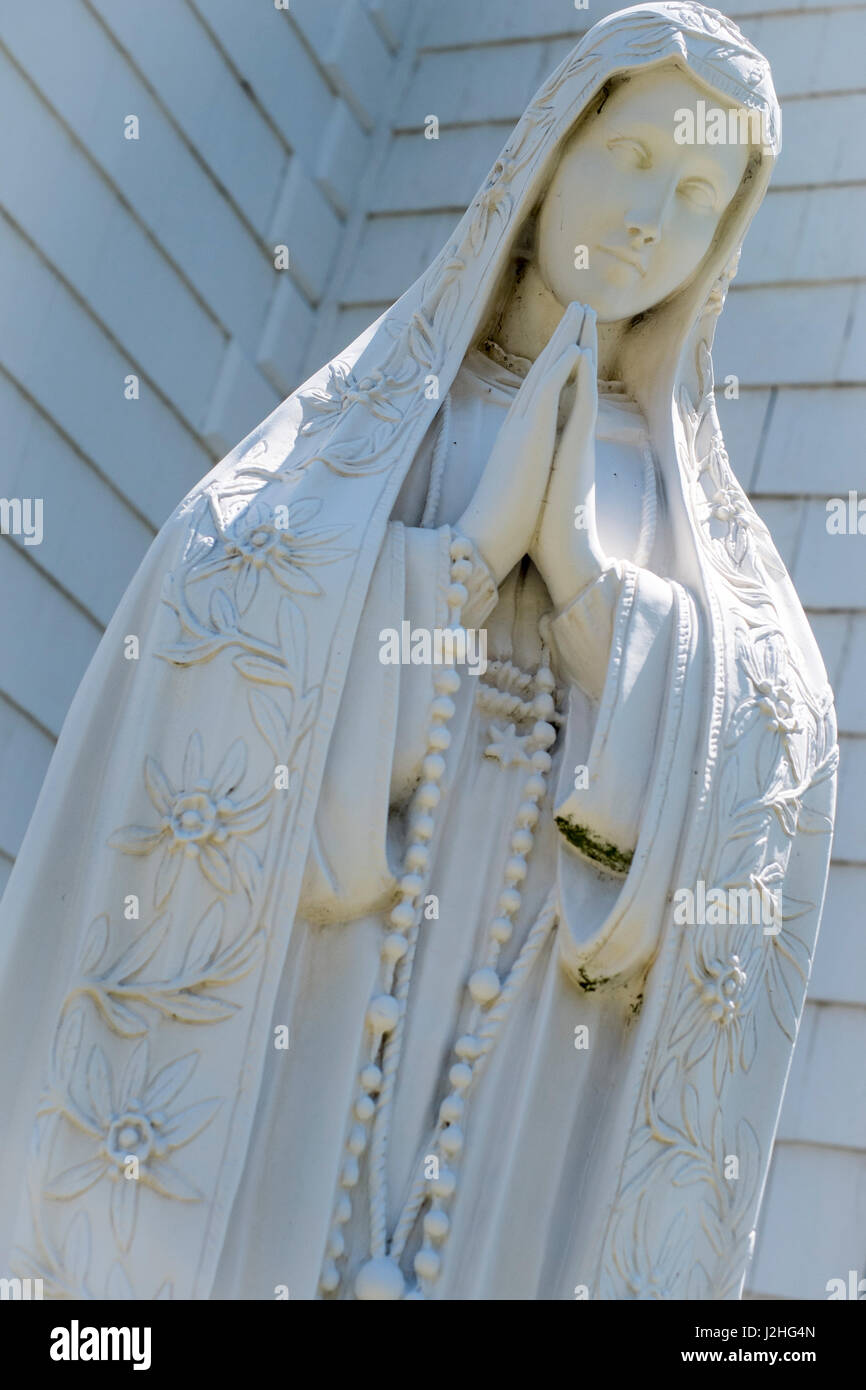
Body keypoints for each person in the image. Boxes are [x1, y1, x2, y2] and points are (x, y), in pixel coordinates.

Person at [0, 4, 837, 1300]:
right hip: (310, 1023)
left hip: (523, 1078)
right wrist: (456, 556)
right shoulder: (367, 429)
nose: (643, 217)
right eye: (628, 157)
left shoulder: (696, 535)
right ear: (555, 147)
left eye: (693, 194)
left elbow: (768, 769)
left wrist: (581, 586)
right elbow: (216, 607)